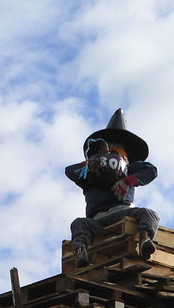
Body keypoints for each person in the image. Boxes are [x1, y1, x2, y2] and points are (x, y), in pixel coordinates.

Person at [65, 109, 159, 265]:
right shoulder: (89, 174)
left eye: (117, 149)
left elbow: (151, 170)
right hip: (96, 219)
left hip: (122, 212)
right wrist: (89, 165)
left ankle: (144, 239)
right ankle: (81, 253)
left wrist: (128, 180)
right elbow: (69, 170)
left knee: (148, 214)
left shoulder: (129, 169)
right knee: (79, 224)